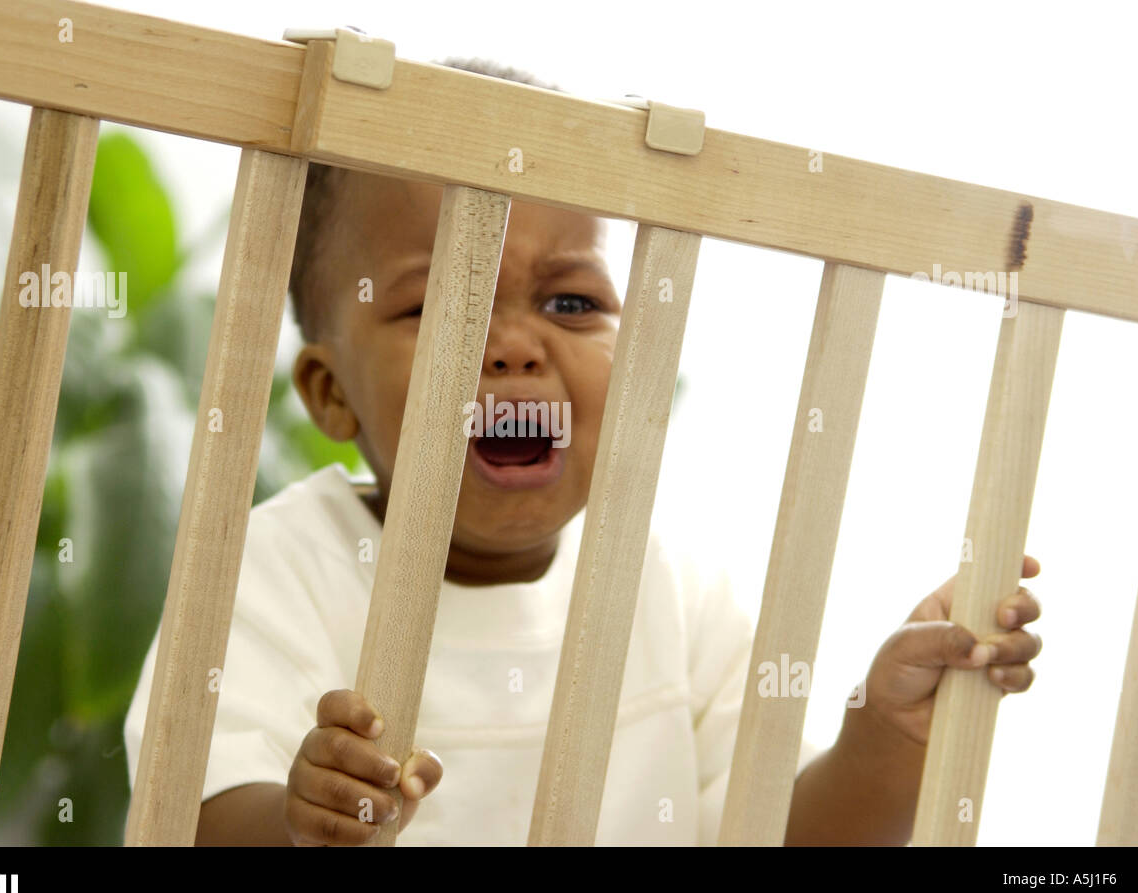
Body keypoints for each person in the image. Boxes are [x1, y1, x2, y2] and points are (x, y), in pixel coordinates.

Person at [124, 58, 1044, 846]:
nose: (516, 345)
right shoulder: (275, 568)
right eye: (436, 305)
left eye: (571, 303)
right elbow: (190, 810)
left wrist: (889, 737)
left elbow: (783, 833)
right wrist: (295, 817)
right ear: (330, 392)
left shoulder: (672, 587)